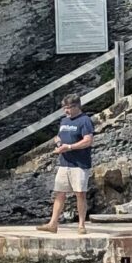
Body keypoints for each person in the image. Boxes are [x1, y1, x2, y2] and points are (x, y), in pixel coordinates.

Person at [46, 93, 95, 233]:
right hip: (64, 163)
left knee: (80, 194)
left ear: (77, 106)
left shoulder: (85, 120)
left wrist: (69, 147)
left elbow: (88, 141)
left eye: (68, 107)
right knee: (59, 193)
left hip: (79, 164)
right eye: (64, 108)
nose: (66, 110)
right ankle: (53, 224)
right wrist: (59, 143)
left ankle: (81, 225)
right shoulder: (64, 121)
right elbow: (59, 137)